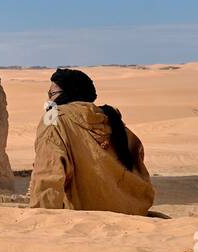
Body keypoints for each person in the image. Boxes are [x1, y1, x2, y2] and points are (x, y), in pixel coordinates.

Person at [28, 67, 154, 215]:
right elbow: (137, 159)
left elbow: (48, 174)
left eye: (52, 93)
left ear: (68, 93)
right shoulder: (111, 120)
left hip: (87, 221)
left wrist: (40, 218)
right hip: (132, 214)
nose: (49, 99)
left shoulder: (54, 120)